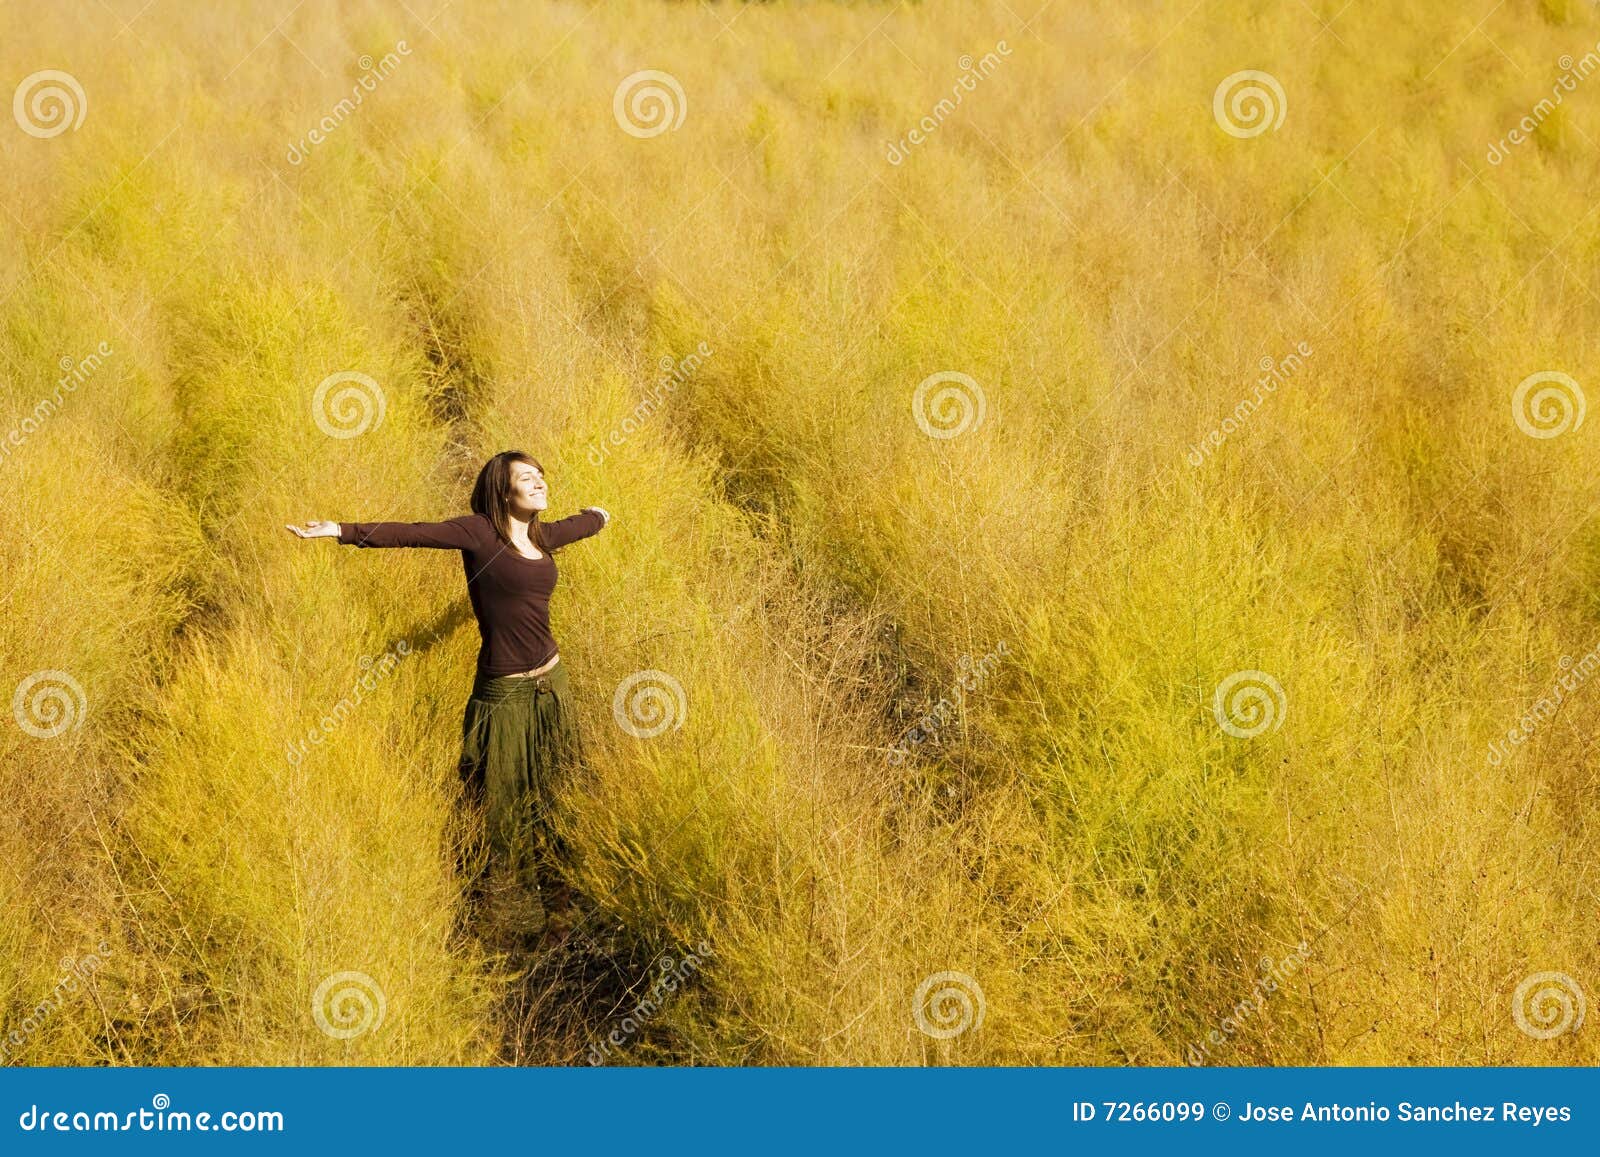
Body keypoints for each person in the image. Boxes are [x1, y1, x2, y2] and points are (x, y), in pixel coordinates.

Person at [286, 450, 610, 953]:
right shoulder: (479, 534)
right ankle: (485, 920)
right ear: (504, 492)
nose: (540, 483)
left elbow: (576, 526)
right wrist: (341, 530)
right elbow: (415, 532)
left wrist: (598, 517)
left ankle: (560, 918)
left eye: (542, 475)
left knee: (558, 797)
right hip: (504, 695)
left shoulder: (541, 536)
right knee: (494, 809)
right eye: (527, 478)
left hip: (553, 686)